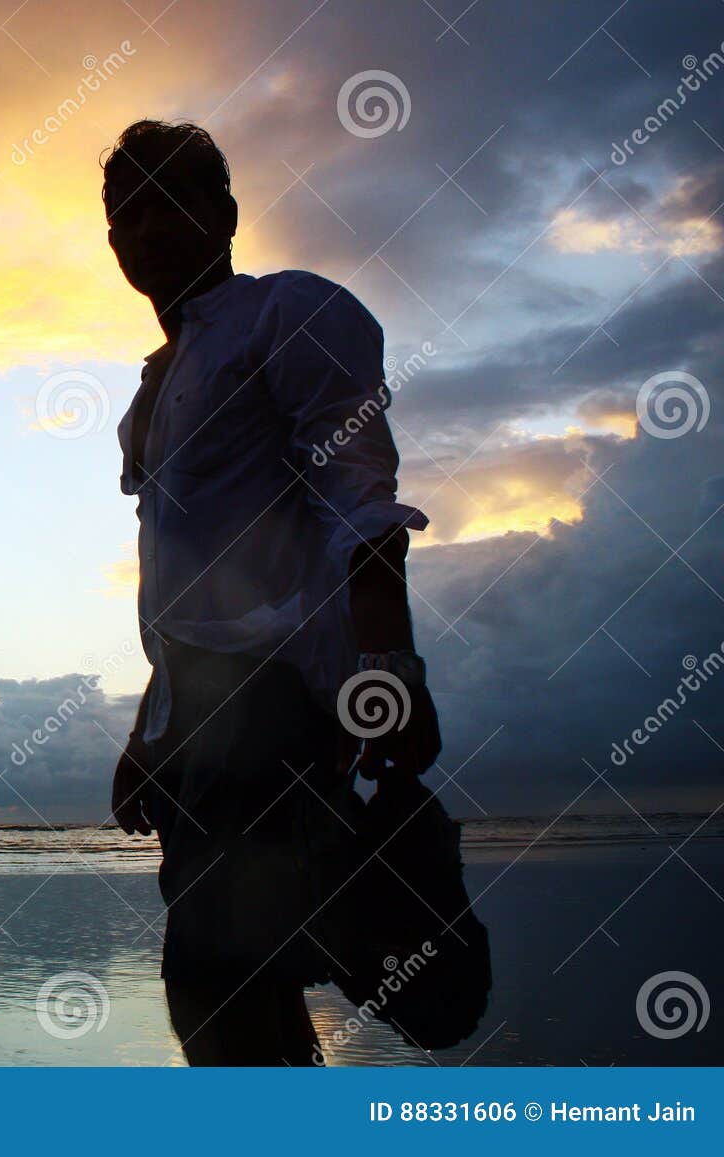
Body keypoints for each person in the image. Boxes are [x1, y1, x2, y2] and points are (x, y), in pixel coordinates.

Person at [102, 119, 442, 1065]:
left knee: (218, 980)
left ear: (225, 213)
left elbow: (358, 501)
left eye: (168, 200)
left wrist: (387, 671)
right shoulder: (156, 386)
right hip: (197, 726)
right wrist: (148, 734)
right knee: (246, 988)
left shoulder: (289, 314)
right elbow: (182, 588)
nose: (143, 227)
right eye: (122, 212)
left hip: (274, 710)